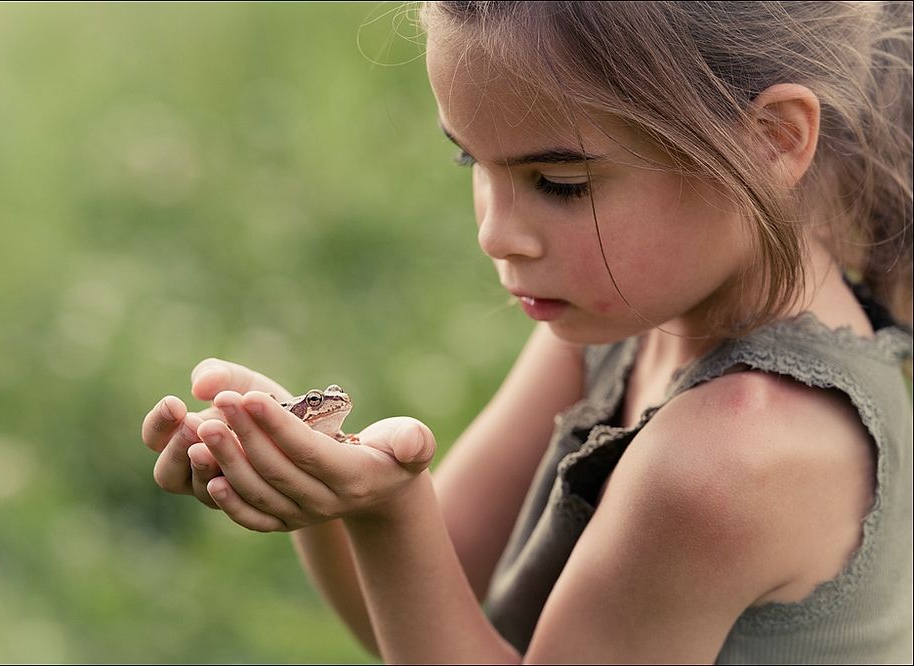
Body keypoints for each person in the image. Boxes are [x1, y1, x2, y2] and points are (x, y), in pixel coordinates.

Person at [140, 2, 913, 662]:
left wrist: (388, 514)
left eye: (560, 183)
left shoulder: (734, 455)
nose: (496, 235)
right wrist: (314, 480)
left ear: (771, 140)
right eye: (469, 160)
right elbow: (436, 611)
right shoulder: (626, 322)